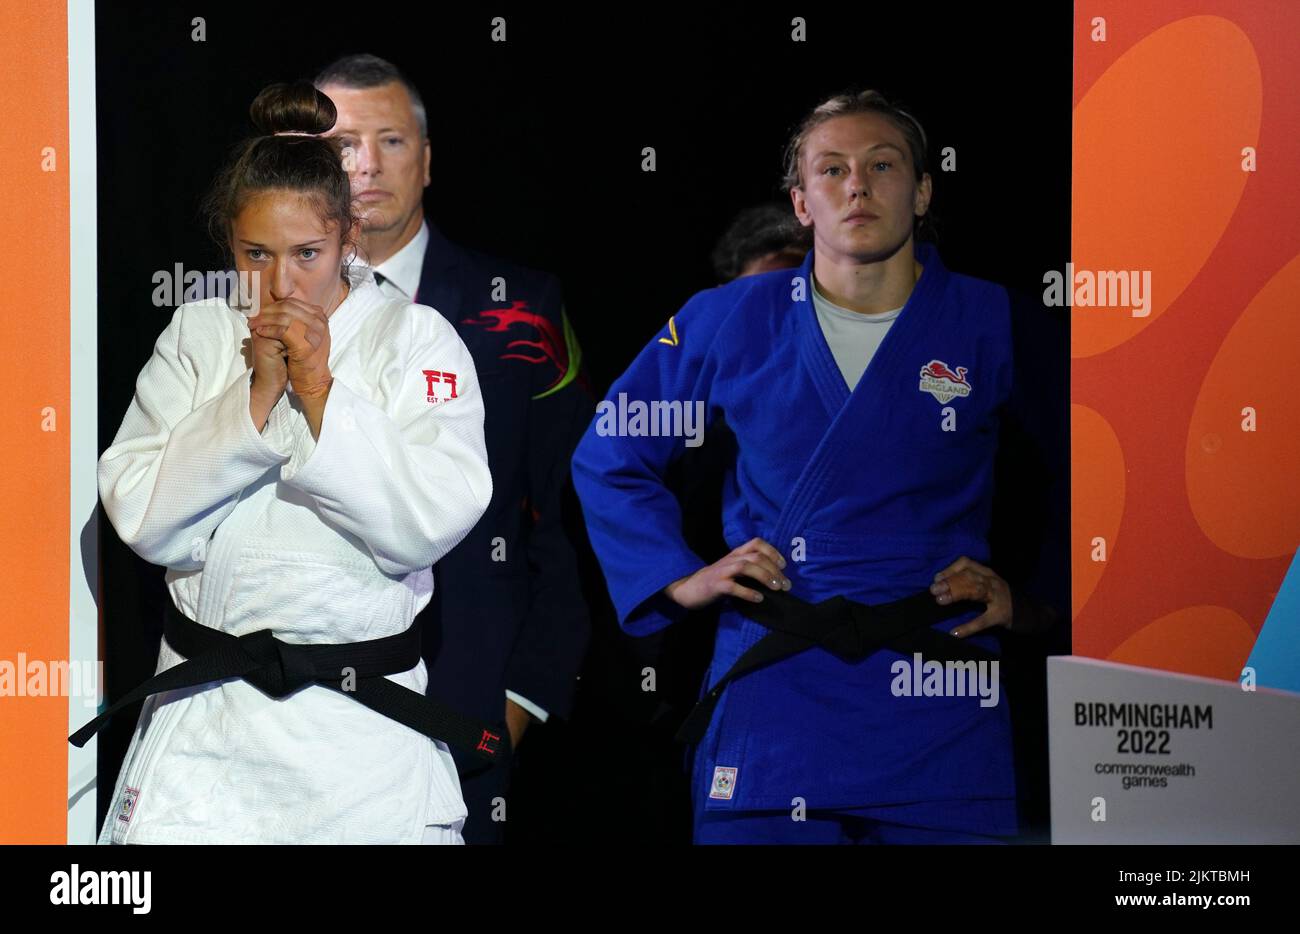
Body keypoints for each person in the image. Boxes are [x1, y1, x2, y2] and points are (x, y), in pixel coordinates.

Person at [571, 89, 1060, 845]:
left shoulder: (994, 318)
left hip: (939, 687)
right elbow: (610, 451)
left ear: (923, 190)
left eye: (882, 165)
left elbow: (1107, 466)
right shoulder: (730, 316)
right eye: (831, 170)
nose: (856, 185)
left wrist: (1035, 603)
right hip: (778, 686)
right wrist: (678, 575)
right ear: (801, 202)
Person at [77, 81, 493, 844]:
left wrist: (320, 391)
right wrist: (255, 400)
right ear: (228, 246)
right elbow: (144, 521)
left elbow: (425, 527)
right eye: (254, 255)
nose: (280, 284)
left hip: (363, 744)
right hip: (208, 740)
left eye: (307, 254)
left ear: (348, 239)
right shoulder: (199, 334)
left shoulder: (417, 340)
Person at [312, 54, 592, 844]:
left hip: (459, 707)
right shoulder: (252, 309)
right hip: (288, 708)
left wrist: (524, 699)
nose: (365, 166)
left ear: (427, 161)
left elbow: (570, 515)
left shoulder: (523, 309)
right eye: (340, 146)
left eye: (390, 141)